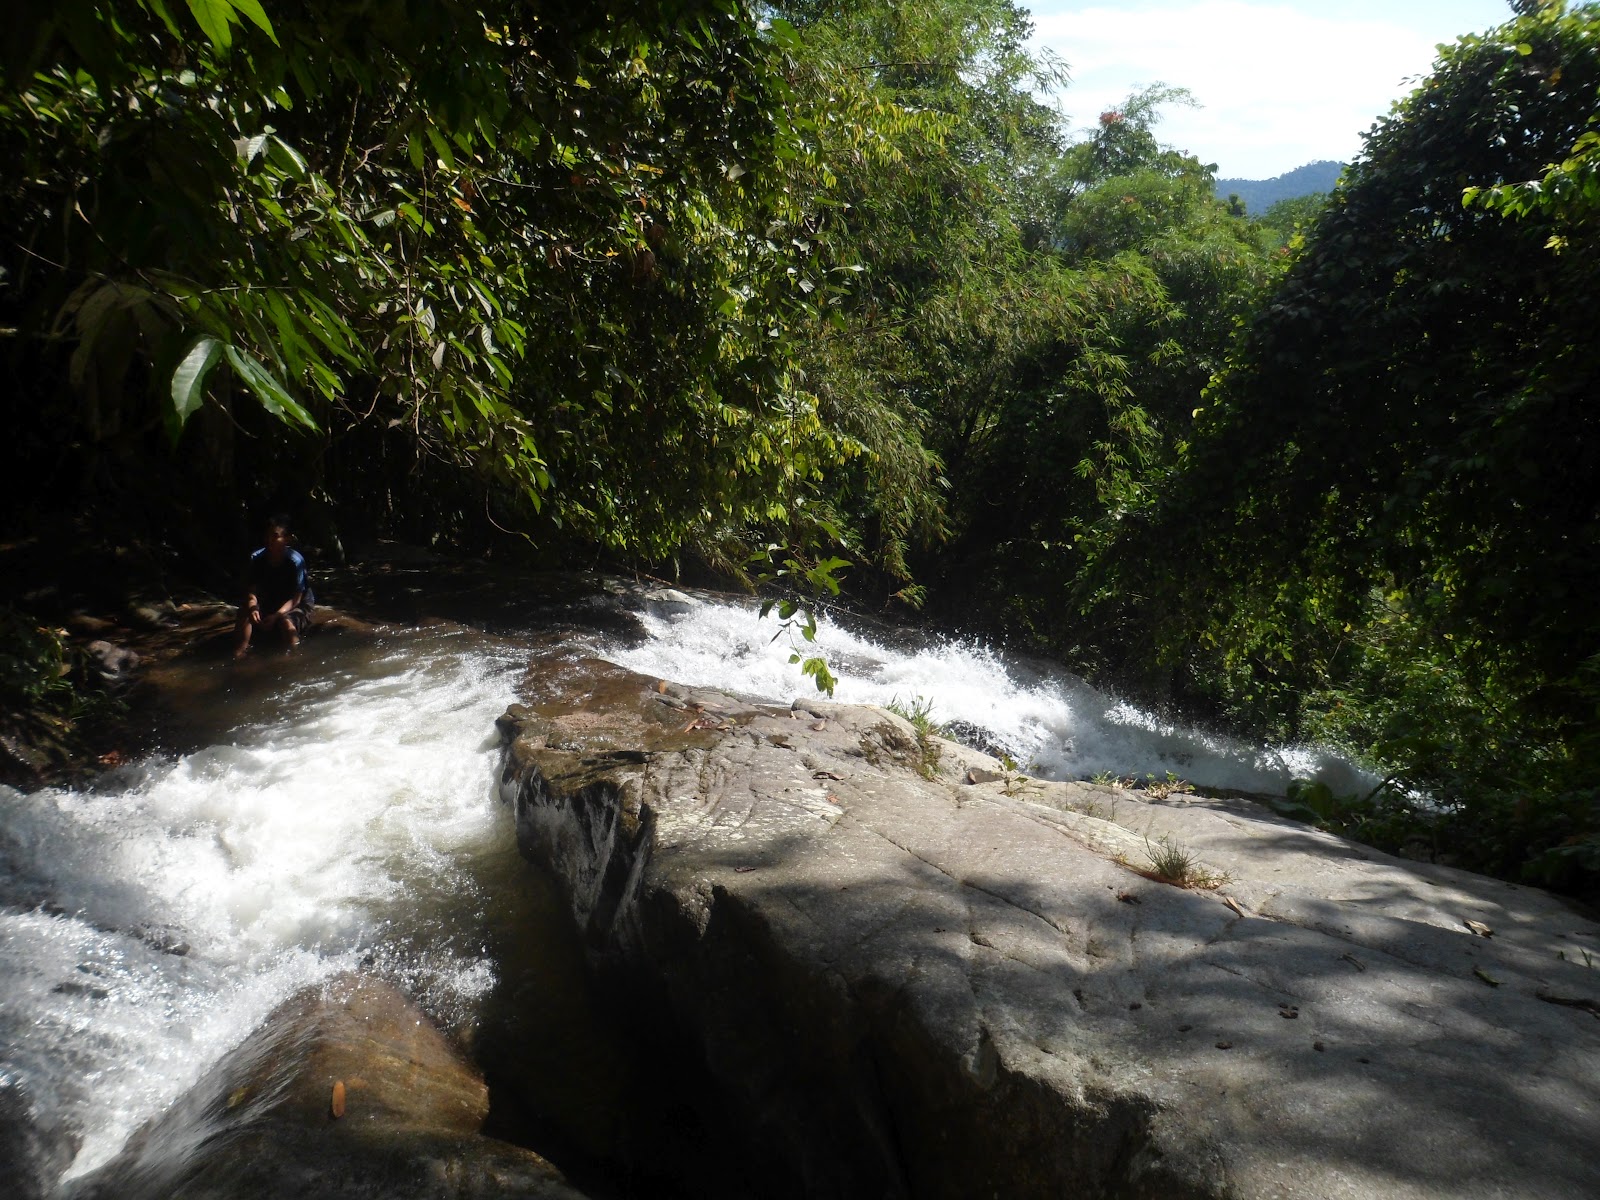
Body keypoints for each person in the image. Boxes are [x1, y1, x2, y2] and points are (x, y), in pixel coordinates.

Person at [233, 514, 314, 658]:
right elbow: (252, 591)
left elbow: (296, 599)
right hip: (270, 600)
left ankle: (296, 656)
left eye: (275, 536)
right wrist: (253, 608)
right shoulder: (257, 559)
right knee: (244, 612)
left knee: (285, 622)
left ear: (287, 539)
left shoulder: (295, 561)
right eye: (268, 536)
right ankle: (239, 652)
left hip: (295, 604)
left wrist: (276, 616)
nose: (270, 540)